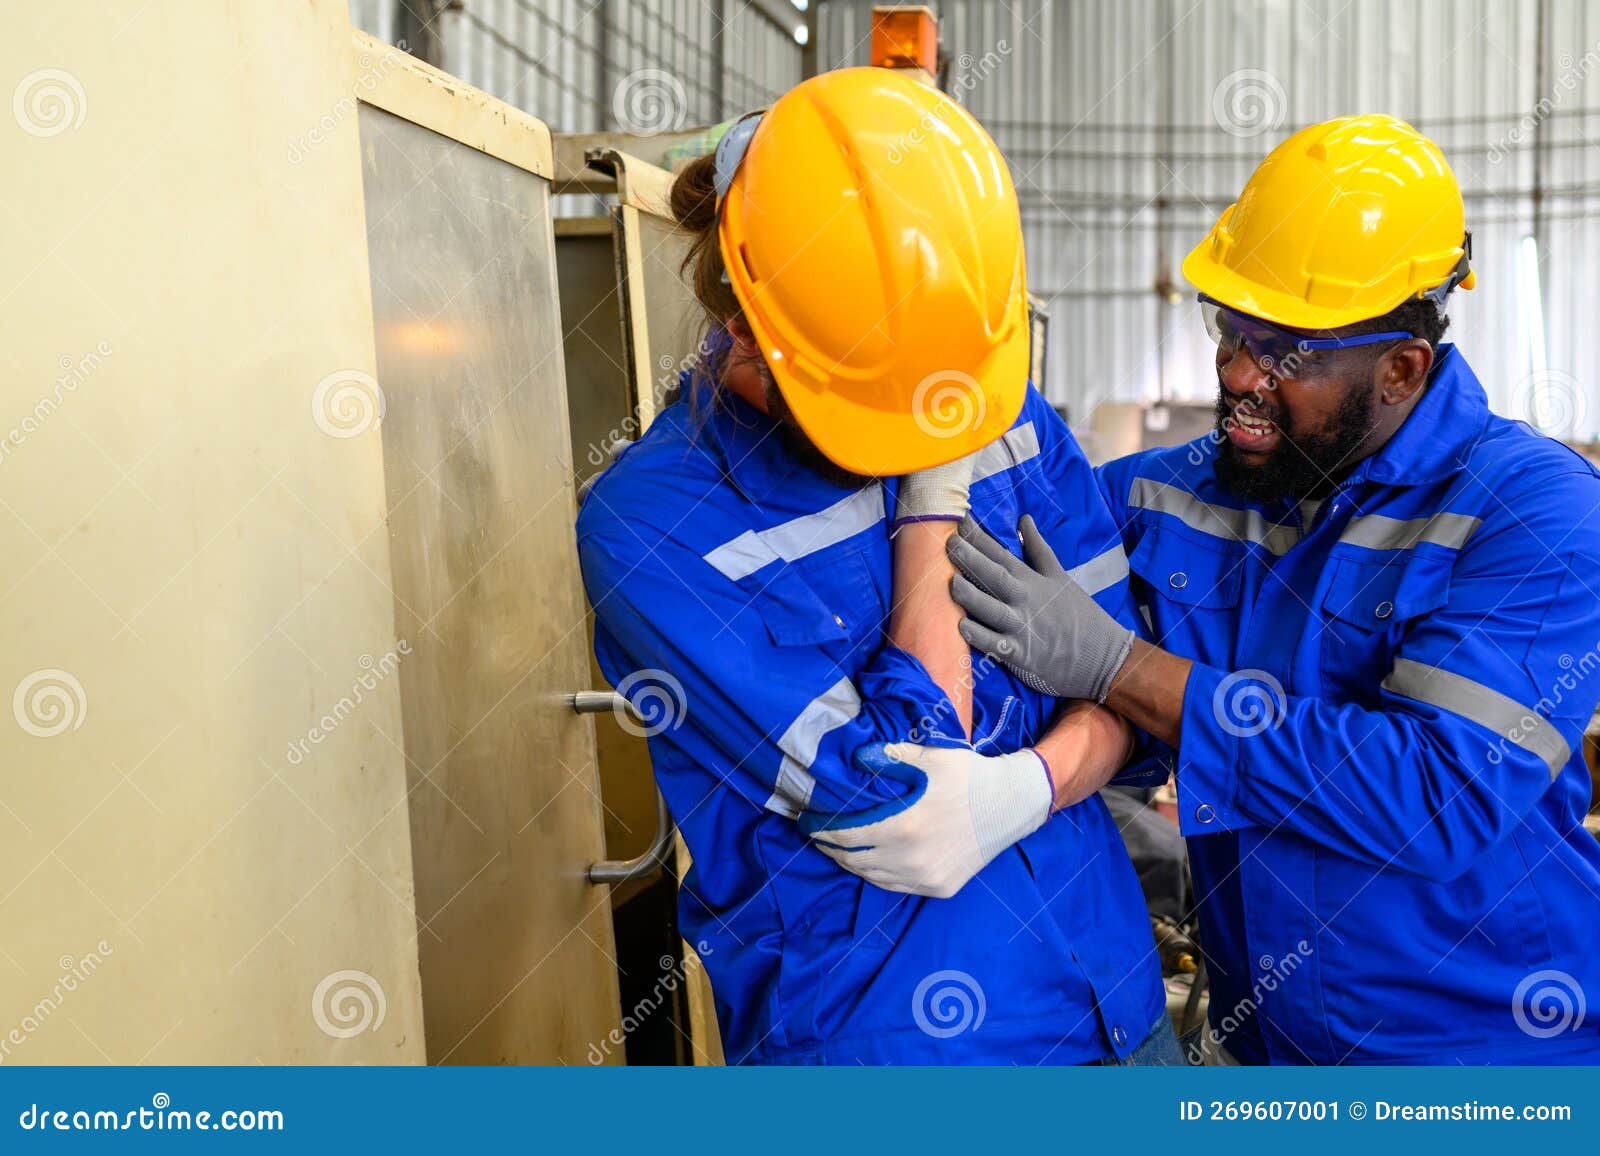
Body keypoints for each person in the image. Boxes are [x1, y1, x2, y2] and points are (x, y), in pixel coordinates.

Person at [832, 114, 1600, 1064]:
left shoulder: (1536, 512)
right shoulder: (1174, 492)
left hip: (1492, 1056)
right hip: (1264, 1048)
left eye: (1286, 355)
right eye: (1229, 329)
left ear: (1403, 367)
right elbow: (987, 514)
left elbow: (1436, 796)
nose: (1239, 374)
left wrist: (1121, 669)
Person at [577, 67, 1176, 1065]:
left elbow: (1130, 686)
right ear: (744, 321)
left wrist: (1026, 785)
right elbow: (898, 802)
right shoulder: (656, 526)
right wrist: (931, 502)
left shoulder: (992, 405)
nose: (931, 413)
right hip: (895, 1053)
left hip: (1115, 998)